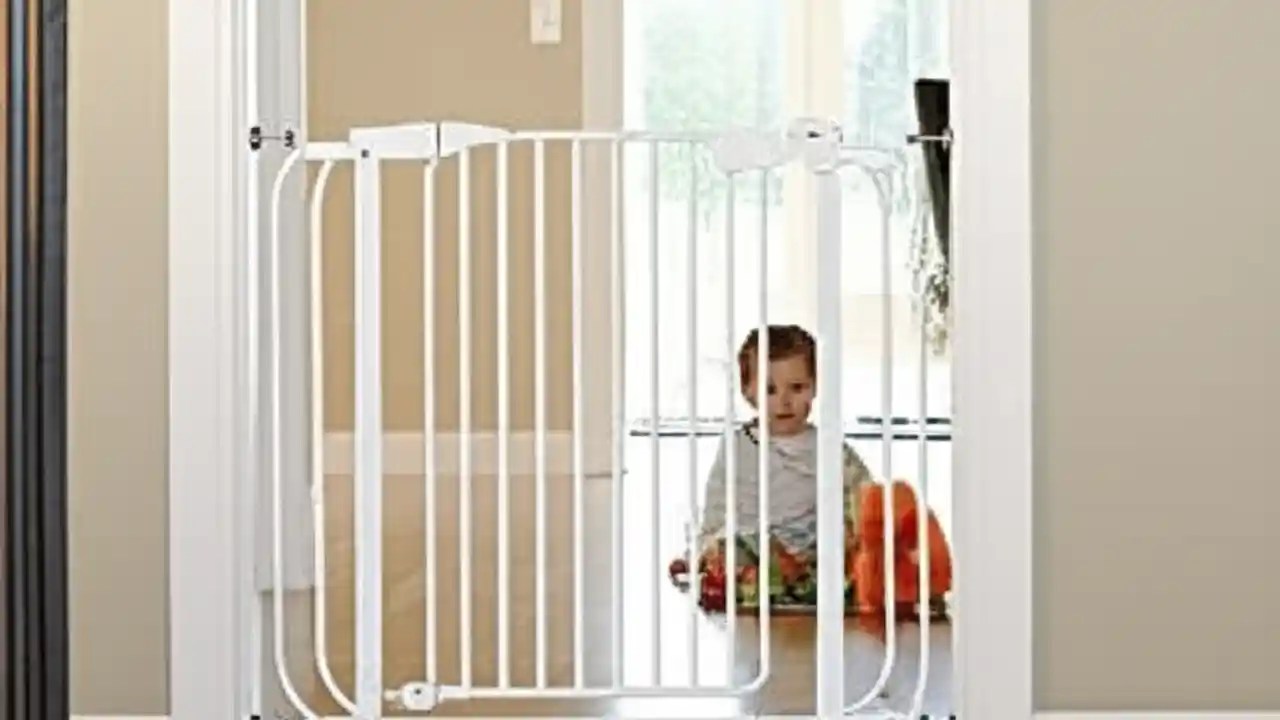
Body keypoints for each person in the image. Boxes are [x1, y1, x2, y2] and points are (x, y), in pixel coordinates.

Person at [696, 324, 872, 591]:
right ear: (747, 391)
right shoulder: (739, 446)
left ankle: (802, 578)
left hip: (810, 551)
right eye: (770, 390)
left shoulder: (828, 448)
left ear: (814, 388)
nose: (785, 401)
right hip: (752, 546)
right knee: (728, 551)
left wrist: (852, 533)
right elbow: (717, 505)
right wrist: (710, 542)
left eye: (797, 387)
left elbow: (864, 494)